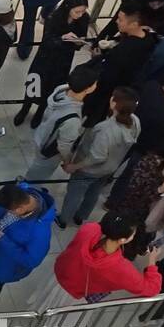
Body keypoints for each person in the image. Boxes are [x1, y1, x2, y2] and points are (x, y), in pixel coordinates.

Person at [58, 86, 140, 227]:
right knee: (93, 193)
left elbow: (97, 156)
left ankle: (63, 219)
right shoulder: (135, 122)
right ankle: (81, 216)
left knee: (74, 194)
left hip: (88, 170)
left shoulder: (105, 129)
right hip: (109, 168)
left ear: (114, 103)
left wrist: (74, 166)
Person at [0, 182, 58, 317]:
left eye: (10, 211)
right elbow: (3, 206)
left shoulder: (40, 231)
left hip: (4, 267)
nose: (8, 213)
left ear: (20, 209)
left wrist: (2, 241)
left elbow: (31, 260)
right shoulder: (22, 193)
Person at [48, 212, 164, 305]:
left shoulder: (88, 230)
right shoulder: (120, 268)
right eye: (133, 234)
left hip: (60, 276)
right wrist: (152, 263)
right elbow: (151, 289)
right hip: (74, 295)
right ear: (123, 240)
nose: (133, 236)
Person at [104, 138, 164, 252]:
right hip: (133, 211)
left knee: (136, 243)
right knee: (122, 242)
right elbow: (134, 190)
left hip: (152, 215)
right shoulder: (149, 163)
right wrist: (159, 190)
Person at [14, 0, 90, 126]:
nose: (80, 15)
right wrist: (62, 38)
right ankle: (24, 110)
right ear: (68, 7)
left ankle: (39, 113)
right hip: (45, 59)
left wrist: (78, 42)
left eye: (82, 12)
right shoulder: (54, 17)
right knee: (34, 86)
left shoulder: (84, 19)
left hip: (63, 61)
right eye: (77, 11)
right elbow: (47, 41)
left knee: (51, 89)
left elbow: (80, 39)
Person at [23, 63, 99, 182]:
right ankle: (27, 189)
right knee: (37, 176)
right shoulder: (73, 120)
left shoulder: (60, 90)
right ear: (88, 88)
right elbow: (63, 146)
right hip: (49, 149)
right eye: (95, 83)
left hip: (42, 134)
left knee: (37, 166)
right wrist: (67, 161)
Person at [84, 2, 154, 123]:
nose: (116, 21)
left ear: (134, 24)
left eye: (120, 20)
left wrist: (98, 58)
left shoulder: (124, 51)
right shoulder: (148, 39)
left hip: (109, 92)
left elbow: (107, 76)